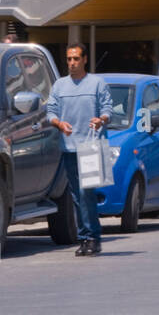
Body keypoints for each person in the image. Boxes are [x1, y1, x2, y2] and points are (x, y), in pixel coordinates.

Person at [45, 44, 113, 256]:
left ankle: (93, 237)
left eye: (76, 58)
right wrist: (59, 124)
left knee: (87, 194)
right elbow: (50, 111)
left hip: (91, 146)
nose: (72, 63)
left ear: (84, 60)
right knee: (76, 196)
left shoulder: (97, 84)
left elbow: (108, 109)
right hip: (69, 147)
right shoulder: (59, 86)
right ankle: (84, 238)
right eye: (69, 59)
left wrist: (101, 119)